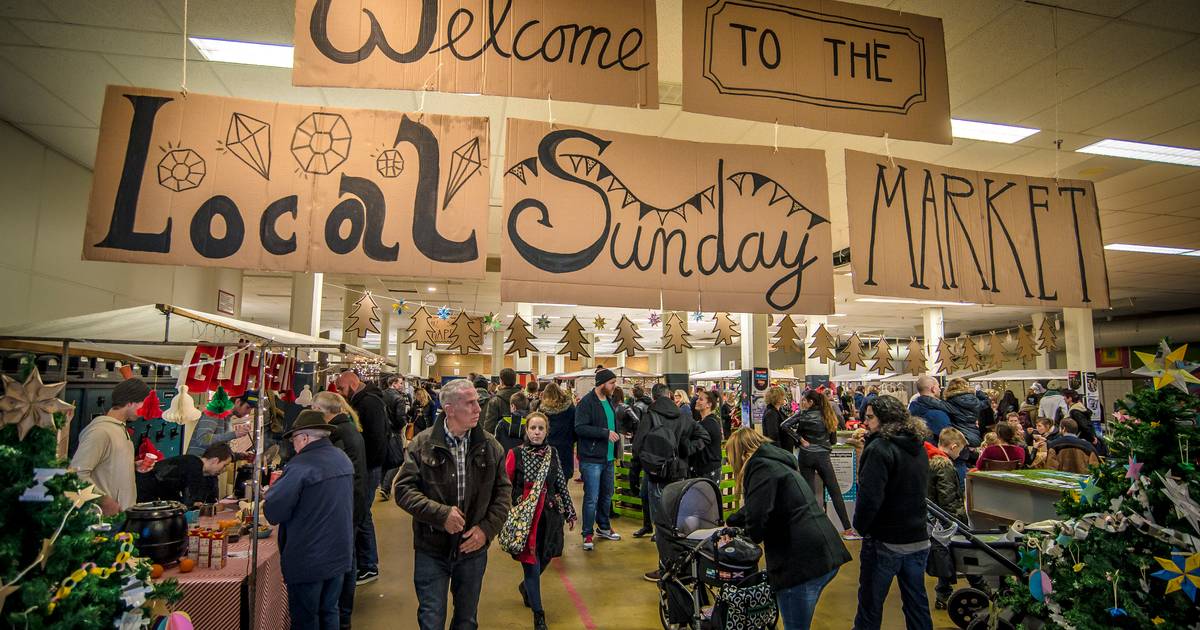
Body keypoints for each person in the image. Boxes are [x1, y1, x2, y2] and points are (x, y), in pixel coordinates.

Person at [394, 378, 511, 630]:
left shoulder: (490, 447)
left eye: (477, 403)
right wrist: (440, 514)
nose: (478, 409)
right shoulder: (423, 444)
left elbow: (503, 494)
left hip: (473, 550)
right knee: (431, 618)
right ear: (449, 409)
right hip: (431, 548)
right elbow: (403, 490)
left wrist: (486, 530)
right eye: (470, 404)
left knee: (467, 620)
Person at [725, 428, 851, 630]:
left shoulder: (759, 468)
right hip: (823, 551)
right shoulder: (776, 463)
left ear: (741, 453)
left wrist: (738, 535)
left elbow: (756, 525)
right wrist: (732, 521)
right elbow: (761, 503)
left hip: (800, 561)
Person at [264, 410, 355, 630]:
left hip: (309, 556)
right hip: (339, 552)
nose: (294, 445)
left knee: (306, 618)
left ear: (304, 438)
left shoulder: (300, 466)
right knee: (329, 610)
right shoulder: (342, 458)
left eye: (294, 439)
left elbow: (274, 511)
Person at [852, 395, 933, 630]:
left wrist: (860, 527)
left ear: (884, 419)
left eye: (870, 418)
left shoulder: (879, 448)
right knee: (917, 605)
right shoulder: (917, 445)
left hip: (885, 540)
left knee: (870, 607)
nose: (866, 423)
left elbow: (870, 497)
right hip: (917, 536)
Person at [505, 413, 577, 630]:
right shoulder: (515, 454)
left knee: (546, 557)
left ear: (547, 431)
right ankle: (539, 615)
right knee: (532, 566)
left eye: (541, 428)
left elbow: (561, 485)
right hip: (527, 521)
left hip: (550, 516)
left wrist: (570, 512)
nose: (536, 432)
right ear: (526, 431)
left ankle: (525, 588)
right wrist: (513, 505)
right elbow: (504, 485)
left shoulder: (552, 453)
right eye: (533, 428)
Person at [633, 382, 711, 580]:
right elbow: (704, 436)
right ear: (669, 395)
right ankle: (682, 566)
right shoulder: (684, 417)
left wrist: (634, 474)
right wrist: (687, 450)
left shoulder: (650, 417)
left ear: (654, 397)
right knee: (679, 522)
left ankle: (665, 567)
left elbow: (638, 447)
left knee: (662, 525)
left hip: (657, 476)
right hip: (680, 476)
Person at [314, 391, 369, 630]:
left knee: (344, 563)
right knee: (349, 558)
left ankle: (342, 615)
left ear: (323, 411)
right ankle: (343, 613)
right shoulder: (350, 429)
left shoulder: (338, 434)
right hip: (354, 502)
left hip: (346, 505)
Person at [334, 370, 389, 585]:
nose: (339, 392)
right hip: (368, 466)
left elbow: (375, 439)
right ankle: (366, 564)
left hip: (369, 468)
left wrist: (365, 465)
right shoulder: (367, 400)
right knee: (362, 514)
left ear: (353, 384)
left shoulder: (369, 403)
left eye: (341, 387)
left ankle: (367, 565)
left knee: (362, 514)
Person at [783, 390, 857, 539]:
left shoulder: (802, 415)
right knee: (835, 491)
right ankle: (847, 528)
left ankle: (811, 529)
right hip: (823, 456)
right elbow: (834, 441)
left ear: (811, 402)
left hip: (806, 455)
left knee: (808, 493)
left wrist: (800, 439)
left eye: (804, 400)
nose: (802, 403)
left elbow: (784, 425)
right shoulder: (828, 415)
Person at [72, 378, 151, 514]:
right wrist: (102, 500)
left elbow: (106, 467)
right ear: (130, 402)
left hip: (123, 516)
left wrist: (132, 466)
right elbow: (77, 474)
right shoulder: (100, 431)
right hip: (104, 520)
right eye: (143, 405)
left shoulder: (119, 429)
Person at [925, 427, 979, 609]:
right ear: (954, 446)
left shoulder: (929, 459)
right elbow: (948, 497)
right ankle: (982, 589)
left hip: (934, 520)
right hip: (946, 520)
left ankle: (943, 593)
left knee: (943, 558)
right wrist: (961, 521)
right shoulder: (944, 465)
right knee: (967, 555)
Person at [574, 369, 624, 551]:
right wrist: (604, 433)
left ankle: (603, 526)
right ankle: (587, 532)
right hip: (592, 459)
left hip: (608, 458)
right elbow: (580, 428)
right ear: (602, 383)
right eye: (612, 383)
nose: (614, 386)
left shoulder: (609, 401)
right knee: (591, 498)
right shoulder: (586, 403)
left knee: (606, 495)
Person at [135, 443, 232, 506]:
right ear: (215, 461)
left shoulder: (194, 463)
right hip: (145, 490)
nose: (223, 469)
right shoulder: (195, 465)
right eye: (224, 465)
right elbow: (191, 500)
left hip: (153, 490)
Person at [188, 392, 251, 456]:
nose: (248, 412)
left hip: (208, 463)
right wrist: (234, 434)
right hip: (197, 463)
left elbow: (217, 451)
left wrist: (240, 456)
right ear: (238, 402)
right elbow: (203, 439)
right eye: (247, 407)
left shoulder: (228, 419)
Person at [538, 382, 577, 484]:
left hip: (546, 450)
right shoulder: (571, 409)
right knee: (563, 483)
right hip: (566, 449)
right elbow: (575, 429)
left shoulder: (541, 412)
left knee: (547, 485)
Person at [1032, 418, 1100, 473]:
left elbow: (1051, 468)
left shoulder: (1054, 445)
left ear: (1063, 429)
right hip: (1083, 483)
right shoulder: (1088, 446)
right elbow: (1095, 468)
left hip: (1062, 482)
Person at [380, 376, 409, 501]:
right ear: (394, 383)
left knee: (385, 459)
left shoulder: (380, 395)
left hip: (381, 431)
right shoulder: (399, 398)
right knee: (397, 460)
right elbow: (400, 418)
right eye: (400, 383)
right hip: (394, 433)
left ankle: (382, 485)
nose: (402, 385)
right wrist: (402, 426)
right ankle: (386, 487)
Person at [688, 390, 724, 483]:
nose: (696, 401)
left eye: (701, 399)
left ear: (708, 404)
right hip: (709, 468)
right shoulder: (709, 421)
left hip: (707, 470)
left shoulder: (708, 424)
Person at [908, 376, 953, 442]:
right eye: (938, 387)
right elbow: (949, 440)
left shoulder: (911, 411)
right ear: (933, 389)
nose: (940, 390)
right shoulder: (938, 414)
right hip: (935, 451)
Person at [484, 368, 522, 434]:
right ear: (515, 381)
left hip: (500, 441)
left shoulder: (495, 401)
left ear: (501, 381)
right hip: (521, 440)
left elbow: (489, 427)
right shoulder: (524, 399)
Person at [761, 386, 796, 453]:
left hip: (784, 449)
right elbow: (773, 436)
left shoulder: (777, 410)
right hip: (780, 451)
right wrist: (780, 453)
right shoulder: (771, 413)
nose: (784, 398)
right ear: (777, 398)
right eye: (782, 396)